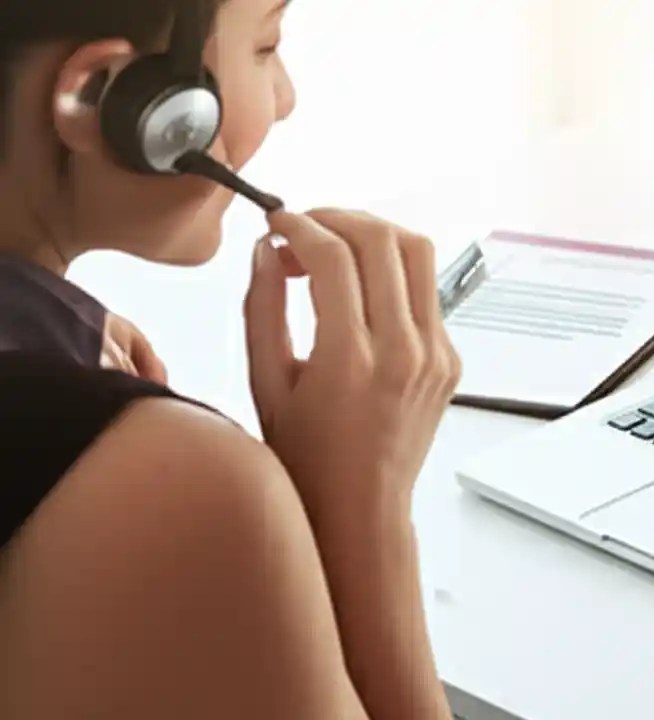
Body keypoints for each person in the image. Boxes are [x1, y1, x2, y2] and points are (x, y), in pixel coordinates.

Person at [0, 1, 461, 718]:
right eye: (265, 45)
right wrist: (357, 513)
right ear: (101, 92)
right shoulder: (171, 494)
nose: (285, 97)